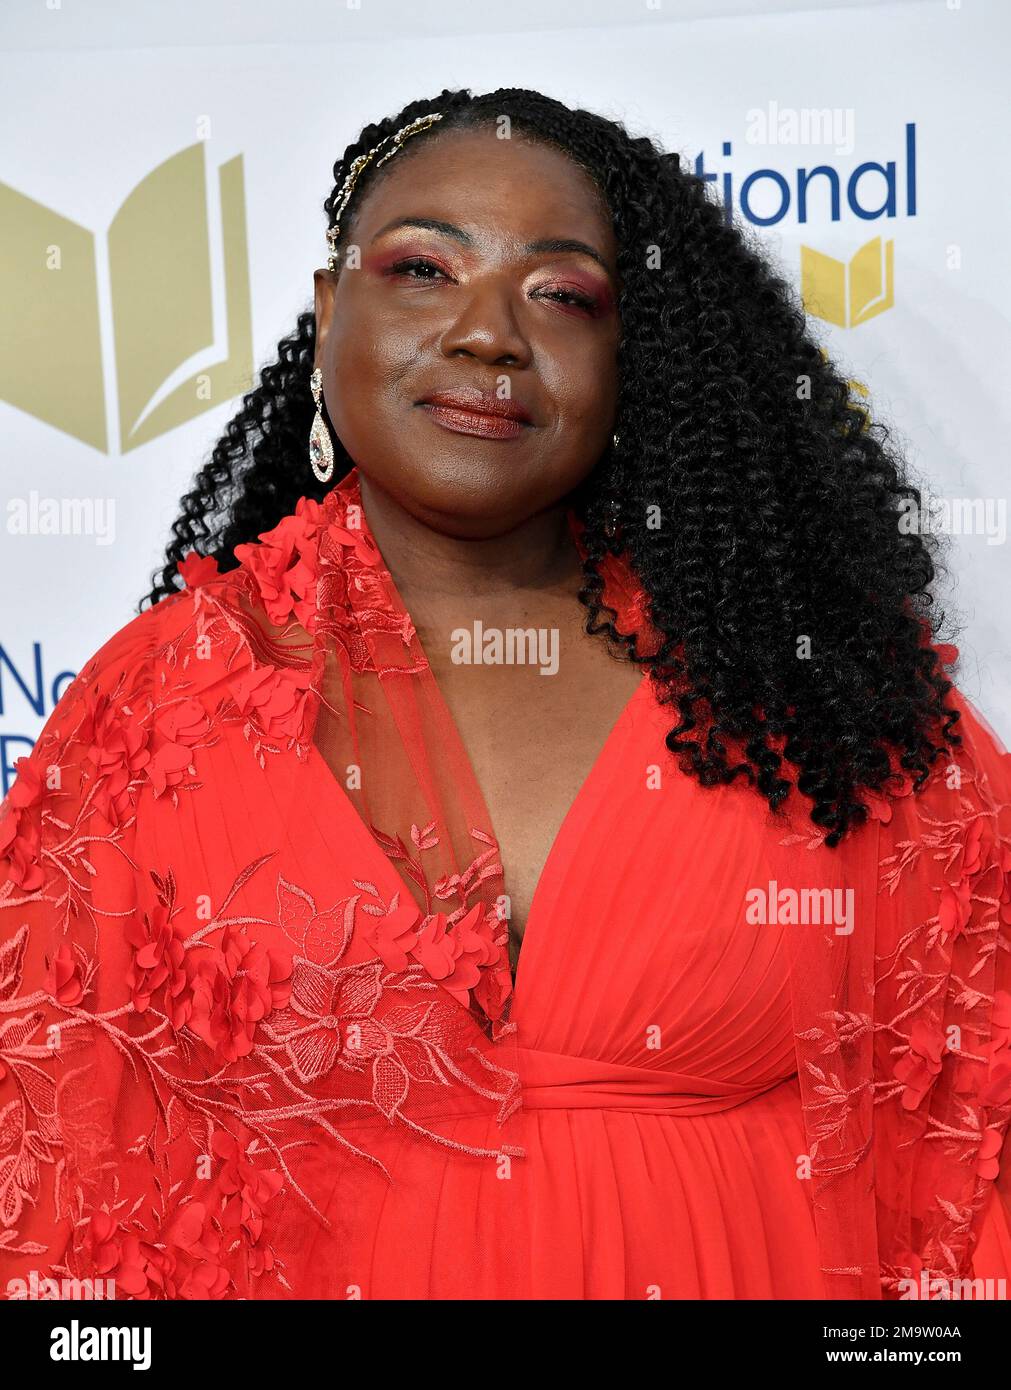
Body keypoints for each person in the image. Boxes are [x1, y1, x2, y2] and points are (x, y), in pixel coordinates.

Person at [2, 87, 1010, 1302]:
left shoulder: (815, 687)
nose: (489, 333)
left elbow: (975, 1131)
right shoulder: (150, 708)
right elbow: (55, 1192)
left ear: (633, 356)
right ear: (330, 316)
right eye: (425, 269)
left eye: (562, 293)